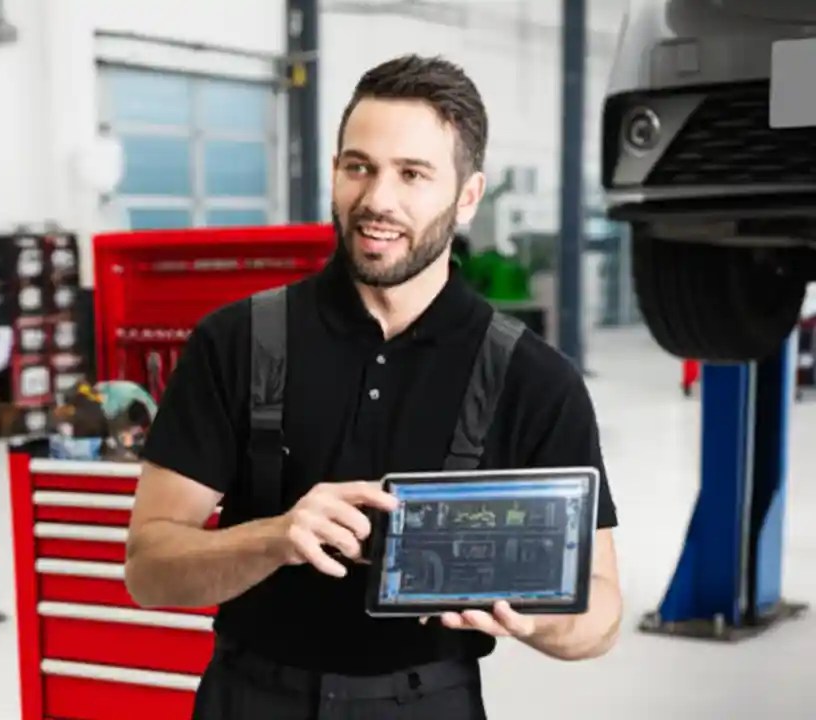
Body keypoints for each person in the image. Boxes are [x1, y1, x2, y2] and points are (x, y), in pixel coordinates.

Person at [124, 54, 622, 719]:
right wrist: (274, 536)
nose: (377, 200)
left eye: (413, 174)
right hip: (250, 699)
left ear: (467, 196)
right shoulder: (237, 341)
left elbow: (603, 612)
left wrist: (534, 614)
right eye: (359, 167)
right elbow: (148, 569)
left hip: (429, 702)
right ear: (334, 173)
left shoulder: (536, 380)